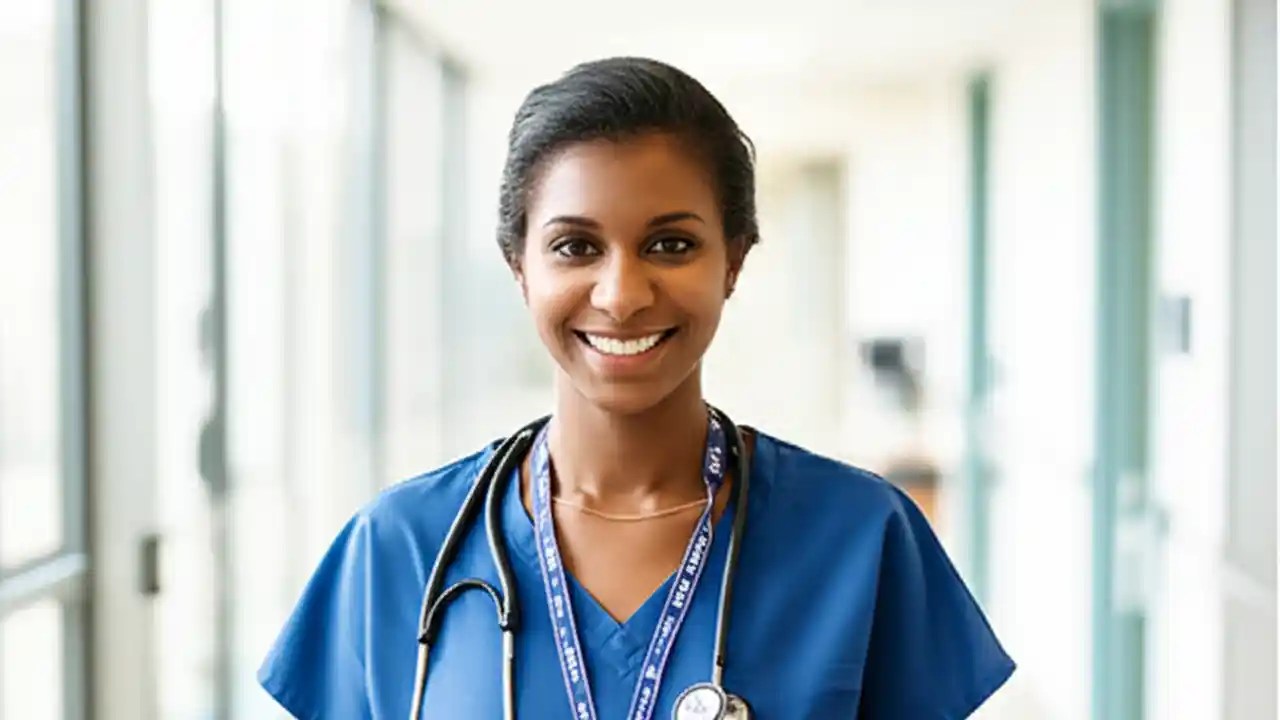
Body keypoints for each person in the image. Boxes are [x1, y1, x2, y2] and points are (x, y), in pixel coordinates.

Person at [258, 56, 1015, 719]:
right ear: (520, 267)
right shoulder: (401, 548)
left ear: (734, 262)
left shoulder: (861, 537)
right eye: (575, 246)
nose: (621, 294)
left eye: (670, 244)